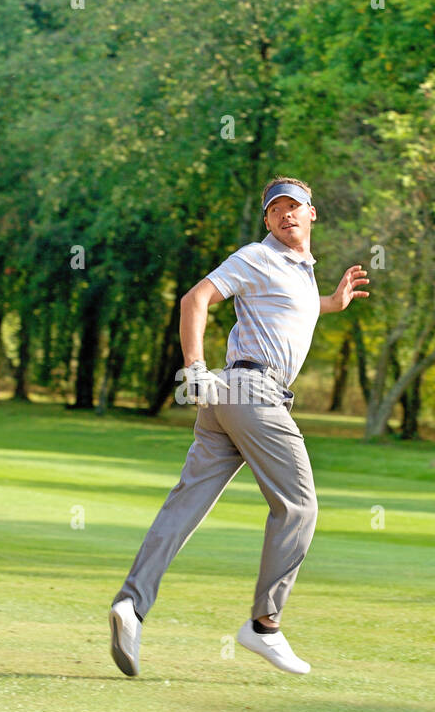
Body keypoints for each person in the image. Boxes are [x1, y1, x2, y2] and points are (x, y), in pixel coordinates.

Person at [109, 176, 369, 676]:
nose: (287, 215)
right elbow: (194, 299)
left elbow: (290, 311)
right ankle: (264, 626)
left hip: (229, 401)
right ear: (268, 220)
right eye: (277, 210)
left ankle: (131, 606)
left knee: (185, 505)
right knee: (298, 506)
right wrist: (194, 370)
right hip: (251, 393)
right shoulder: (258, 255)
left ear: (312, 214)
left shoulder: (300, 271)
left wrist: (332, 302)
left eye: (296, 207)